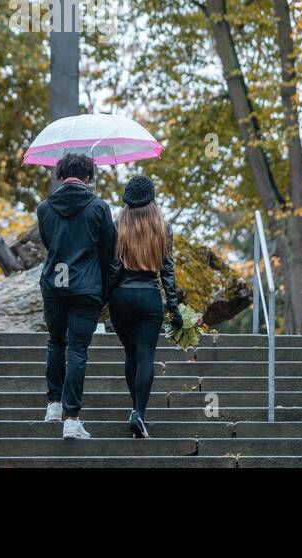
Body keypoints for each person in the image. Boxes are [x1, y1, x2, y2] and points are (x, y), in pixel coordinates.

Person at [37, 152, 116, 439]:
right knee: (77, 350)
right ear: (88, 177)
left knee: (55, 342)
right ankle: (72, 418)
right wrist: (105, 290)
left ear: (60, 175)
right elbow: (109, 251)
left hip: (54, 285)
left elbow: (49, 243)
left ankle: (53, 405)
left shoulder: (44, 208)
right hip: (86, 287)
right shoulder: (99, 208)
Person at [106, 175, 181, 438]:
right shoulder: (163, 227)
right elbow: (167, 271)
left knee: (130, 354)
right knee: (146, 355)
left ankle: (134, 408)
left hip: (122, 298)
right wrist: (173, 307)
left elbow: (114, 267)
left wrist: (104, 296)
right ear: (152, 200)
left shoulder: (119, 226)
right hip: (149, 297)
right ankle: (139, 412)